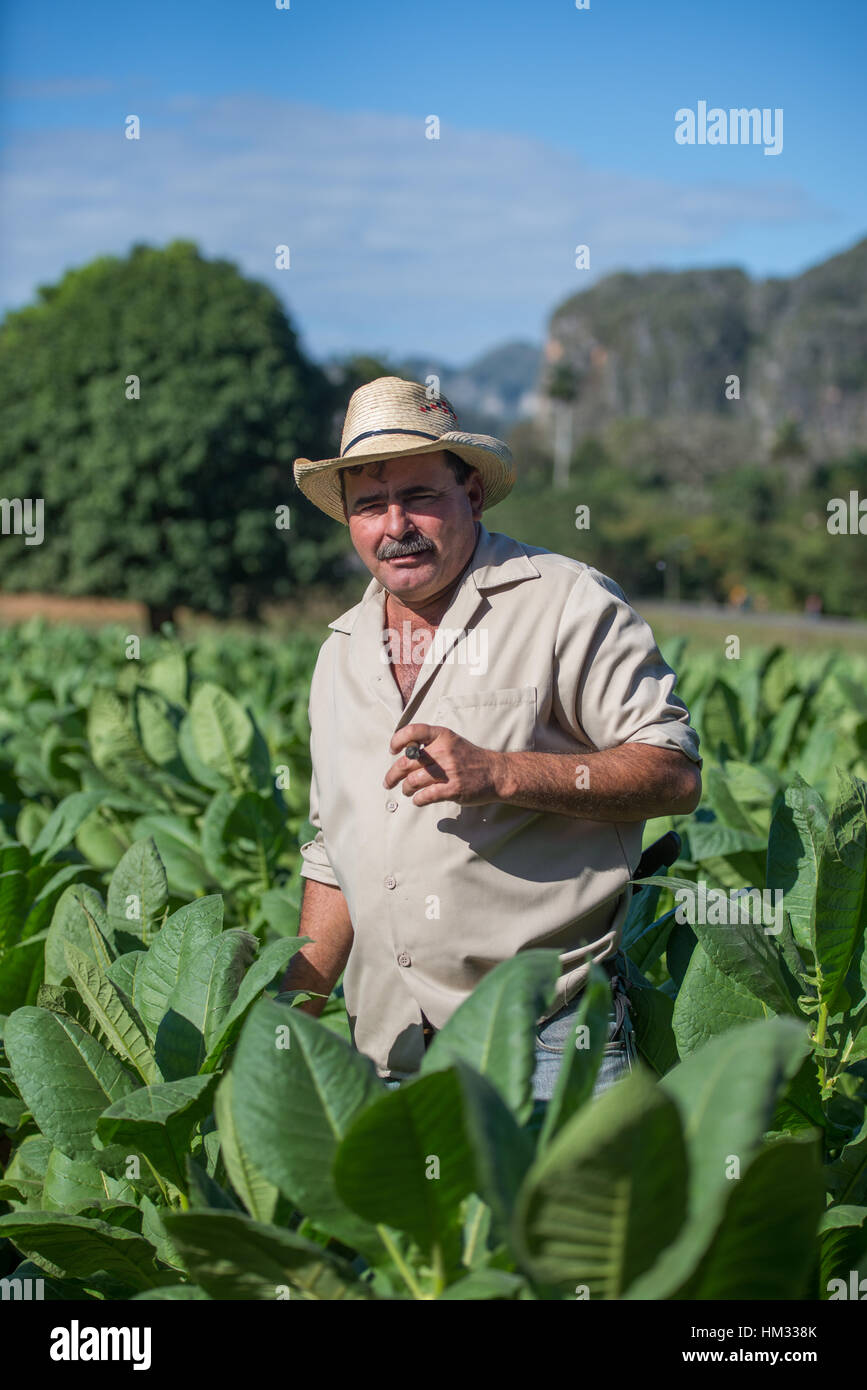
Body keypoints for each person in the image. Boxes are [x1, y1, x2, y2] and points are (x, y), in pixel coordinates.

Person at [282, 376, 702, 1106]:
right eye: (369, 506)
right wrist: (292, 1017)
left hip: (543, 1041)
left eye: (418, 497)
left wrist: (501, 773)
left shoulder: (564, 600)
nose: (394, 525)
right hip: (387, 1048)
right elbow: (331, 856)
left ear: (470, 495)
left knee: (569, 1226)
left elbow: (672, 773)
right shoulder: (340, 651)